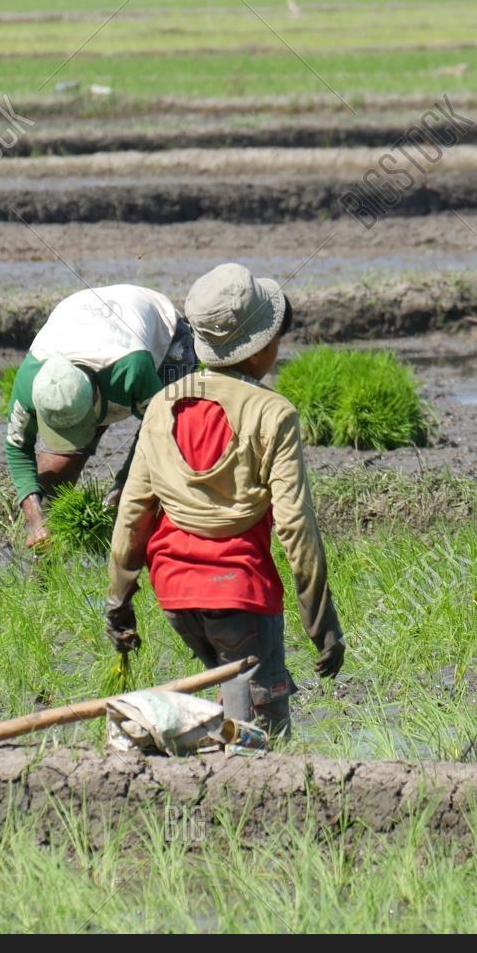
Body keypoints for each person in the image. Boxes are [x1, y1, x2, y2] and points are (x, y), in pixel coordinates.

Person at [105, 264, 345, 738]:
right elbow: (295, 526)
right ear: (258, 347)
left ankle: (208, 754)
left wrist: (118, 600)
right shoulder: (273, 413)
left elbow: (134, 511)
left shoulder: (163, 404)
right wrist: (322, 623)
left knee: (232, 702)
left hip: (176, 595)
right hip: (239, 593)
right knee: (261, 734)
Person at [4, 284, 196, 549]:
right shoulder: (29, 385)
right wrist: (35, 518)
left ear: (95, 397)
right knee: (52, 479)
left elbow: (157, 433)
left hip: (165, 341)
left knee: (177, 438)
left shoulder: (132, 370)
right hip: (87, 323)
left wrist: (121, 490)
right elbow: (16, 448)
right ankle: (47, 546)